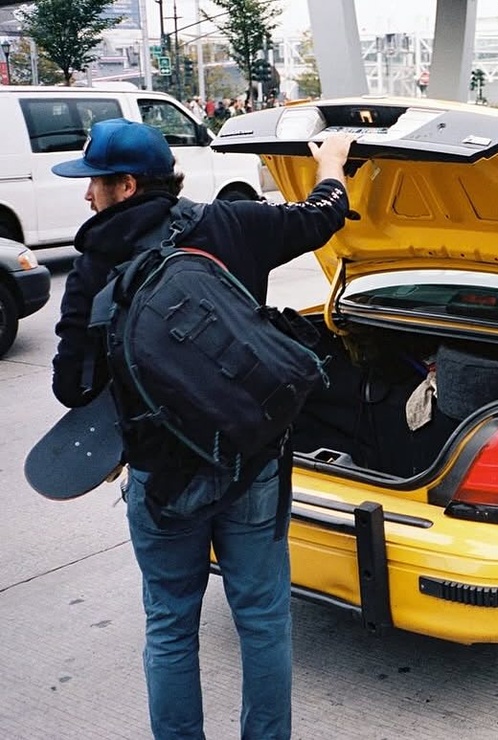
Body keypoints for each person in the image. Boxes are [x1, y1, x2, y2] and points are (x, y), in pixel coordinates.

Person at [50, 118, 355, 738]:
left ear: (127, 185)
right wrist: (331, 166)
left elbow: (71, 388)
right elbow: (321, 217)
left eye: (95, 184)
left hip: (163, 476)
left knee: (169, 626)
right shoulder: (230, 223)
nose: (87, 196)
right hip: (252, 463)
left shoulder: (93, 267)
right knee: (264, 620)